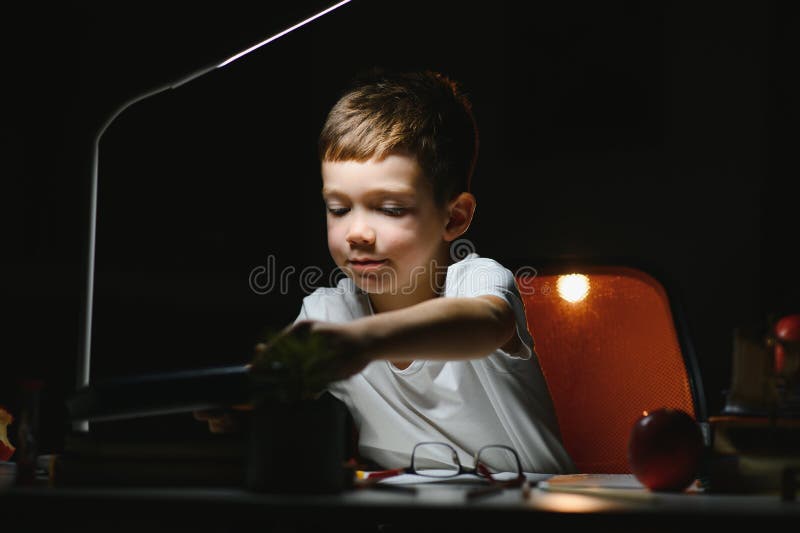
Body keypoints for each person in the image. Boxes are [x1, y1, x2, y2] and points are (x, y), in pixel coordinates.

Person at [197, 69, 575, 474]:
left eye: (391, 209)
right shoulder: (327, 312)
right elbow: (272, 383)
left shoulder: (477, 279)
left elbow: (486, 322)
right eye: (339, 208)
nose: (357, 233)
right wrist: (241, 399)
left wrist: (360, 342)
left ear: (454, 217)